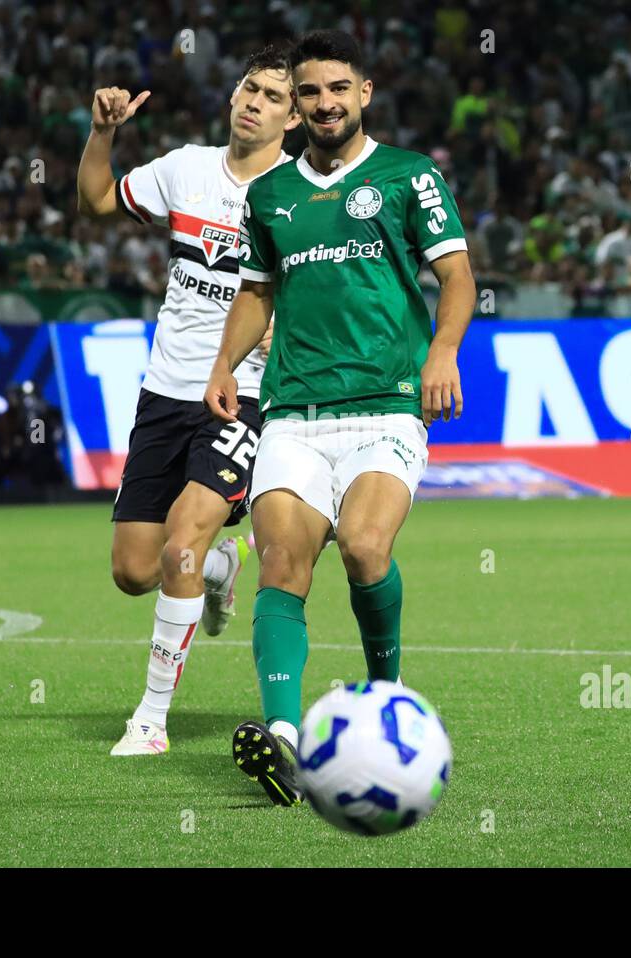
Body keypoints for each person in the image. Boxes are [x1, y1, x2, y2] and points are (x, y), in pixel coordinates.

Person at [204, 30, 476, 806]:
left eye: (336, 89)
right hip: (293, 409)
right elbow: (258, 292)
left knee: (362, 548)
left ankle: (387, 697)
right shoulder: (270, 195)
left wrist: (443, 351)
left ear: (364, 94)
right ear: (296, 105)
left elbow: (456, 276)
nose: (323, 103)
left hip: (386, 403)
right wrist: (225, 364)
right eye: (309, 93)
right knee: (283, 564)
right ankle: (283, 742)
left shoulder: (408, 176)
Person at [76, 44, 299, 757]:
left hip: (242, 395)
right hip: (164, 390)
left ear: (292, 119)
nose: (253, 101)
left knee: (180, 545)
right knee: (134, 570)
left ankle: (150, 719)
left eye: (271, 95)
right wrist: (103, 132)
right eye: (248, 88)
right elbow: (98, 200)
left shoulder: (297, 195)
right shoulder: (185, 168)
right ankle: (222, 569)